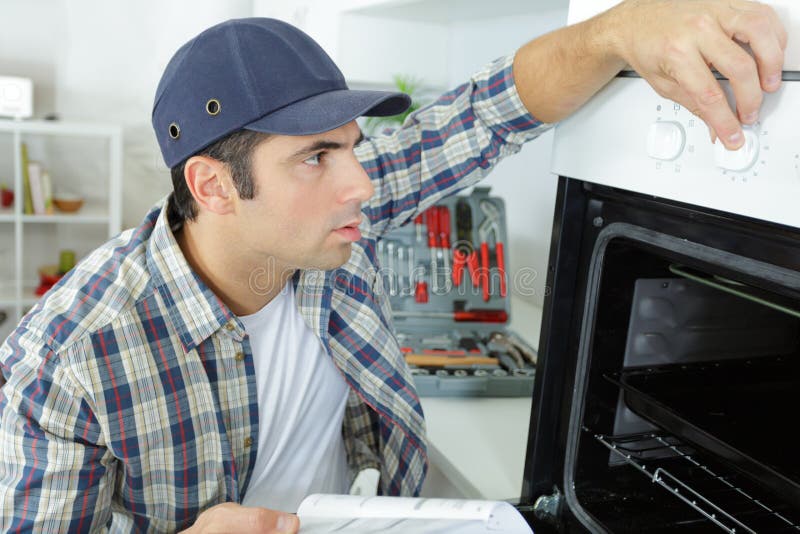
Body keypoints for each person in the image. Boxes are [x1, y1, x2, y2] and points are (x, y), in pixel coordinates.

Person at [0, 1, 785, 532]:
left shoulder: (330, 220)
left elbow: (491, 108)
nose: (362, 182)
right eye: (316, 156)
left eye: (351, 145)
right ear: (212, 186)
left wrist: (619, 28)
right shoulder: (65, 365)